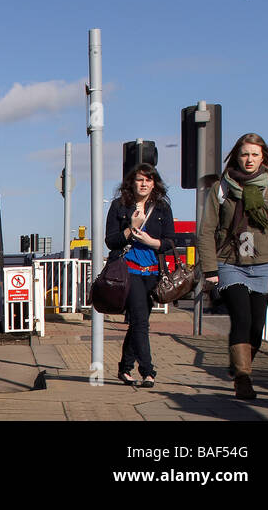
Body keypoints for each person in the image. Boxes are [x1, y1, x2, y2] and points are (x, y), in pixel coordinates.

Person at [197, 133, 268, 400]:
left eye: (254, 154)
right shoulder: (221, 189)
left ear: (263, 156)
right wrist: (210, 268)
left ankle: (239, 361)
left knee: (257, 326)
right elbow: (206, 231)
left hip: (263, 264)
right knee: (241, 318)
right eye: (244, 154)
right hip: (230, 262)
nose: (249, 159)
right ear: (236, 156)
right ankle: (243, 378)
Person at [104, 163, 175, 388]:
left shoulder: (162, 208)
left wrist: (152, 242)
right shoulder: (119, 206)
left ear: (154, 183)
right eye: (139, 179)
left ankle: (124, 369)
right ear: (131, 183)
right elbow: (110, 240)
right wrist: (130, 228)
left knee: (138, 322)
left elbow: (170, 242)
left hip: (153, 272)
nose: (144, 184)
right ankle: (148, 371)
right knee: (141, 322)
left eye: (148, 179)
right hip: (128, 271)